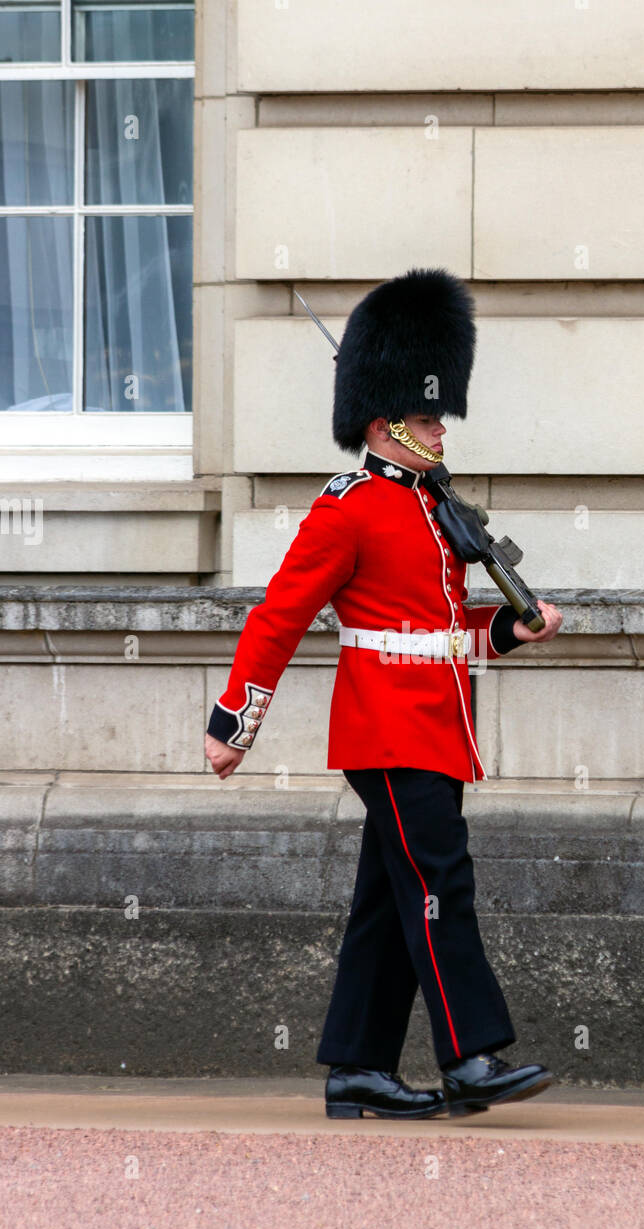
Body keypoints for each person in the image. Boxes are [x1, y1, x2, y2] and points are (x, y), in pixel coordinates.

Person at [205, 267, 563, 1119]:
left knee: (392, 896)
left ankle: (357, 1066)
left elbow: (444, 633)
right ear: (384, 420)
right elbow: (278, 617)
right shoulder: (348, 510)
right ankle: (472, 1056)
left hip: (434, 724)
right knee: (442, 880)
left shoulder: (432, 510)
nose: (442, 429)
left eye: (441, 415)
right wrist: (236, 720)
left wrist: (513, 629)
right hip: (387, 731)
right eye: (429, 415)